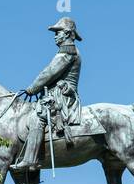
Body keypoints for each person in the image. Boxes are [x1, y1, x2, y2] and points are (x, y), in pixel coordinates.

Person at [9, 17, 84, 173]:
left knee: (37, 116)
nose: (55, 36)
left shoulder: (68, 50)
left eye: (58, 32)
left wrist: (32, 89)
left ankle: (30, 160)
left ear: (68, 33)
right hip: (56, 93)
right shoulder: (68, 50)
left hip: (61, 95)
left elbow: (49, 72)